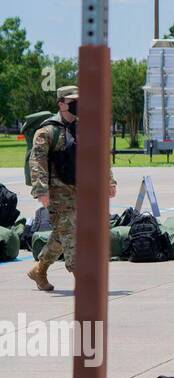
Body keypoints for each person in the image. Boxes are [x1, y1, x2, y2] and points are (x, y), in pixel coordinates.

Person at [27, 85, 117, 291]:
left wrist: (109, 181)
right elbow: (37, 161)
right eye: (73, 102)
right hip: (58, 193)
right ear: (61, 104)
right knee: (71, 233)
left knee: (61, 234)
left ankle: (39, 270)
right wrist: (41, 190)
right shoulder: (46, 131)